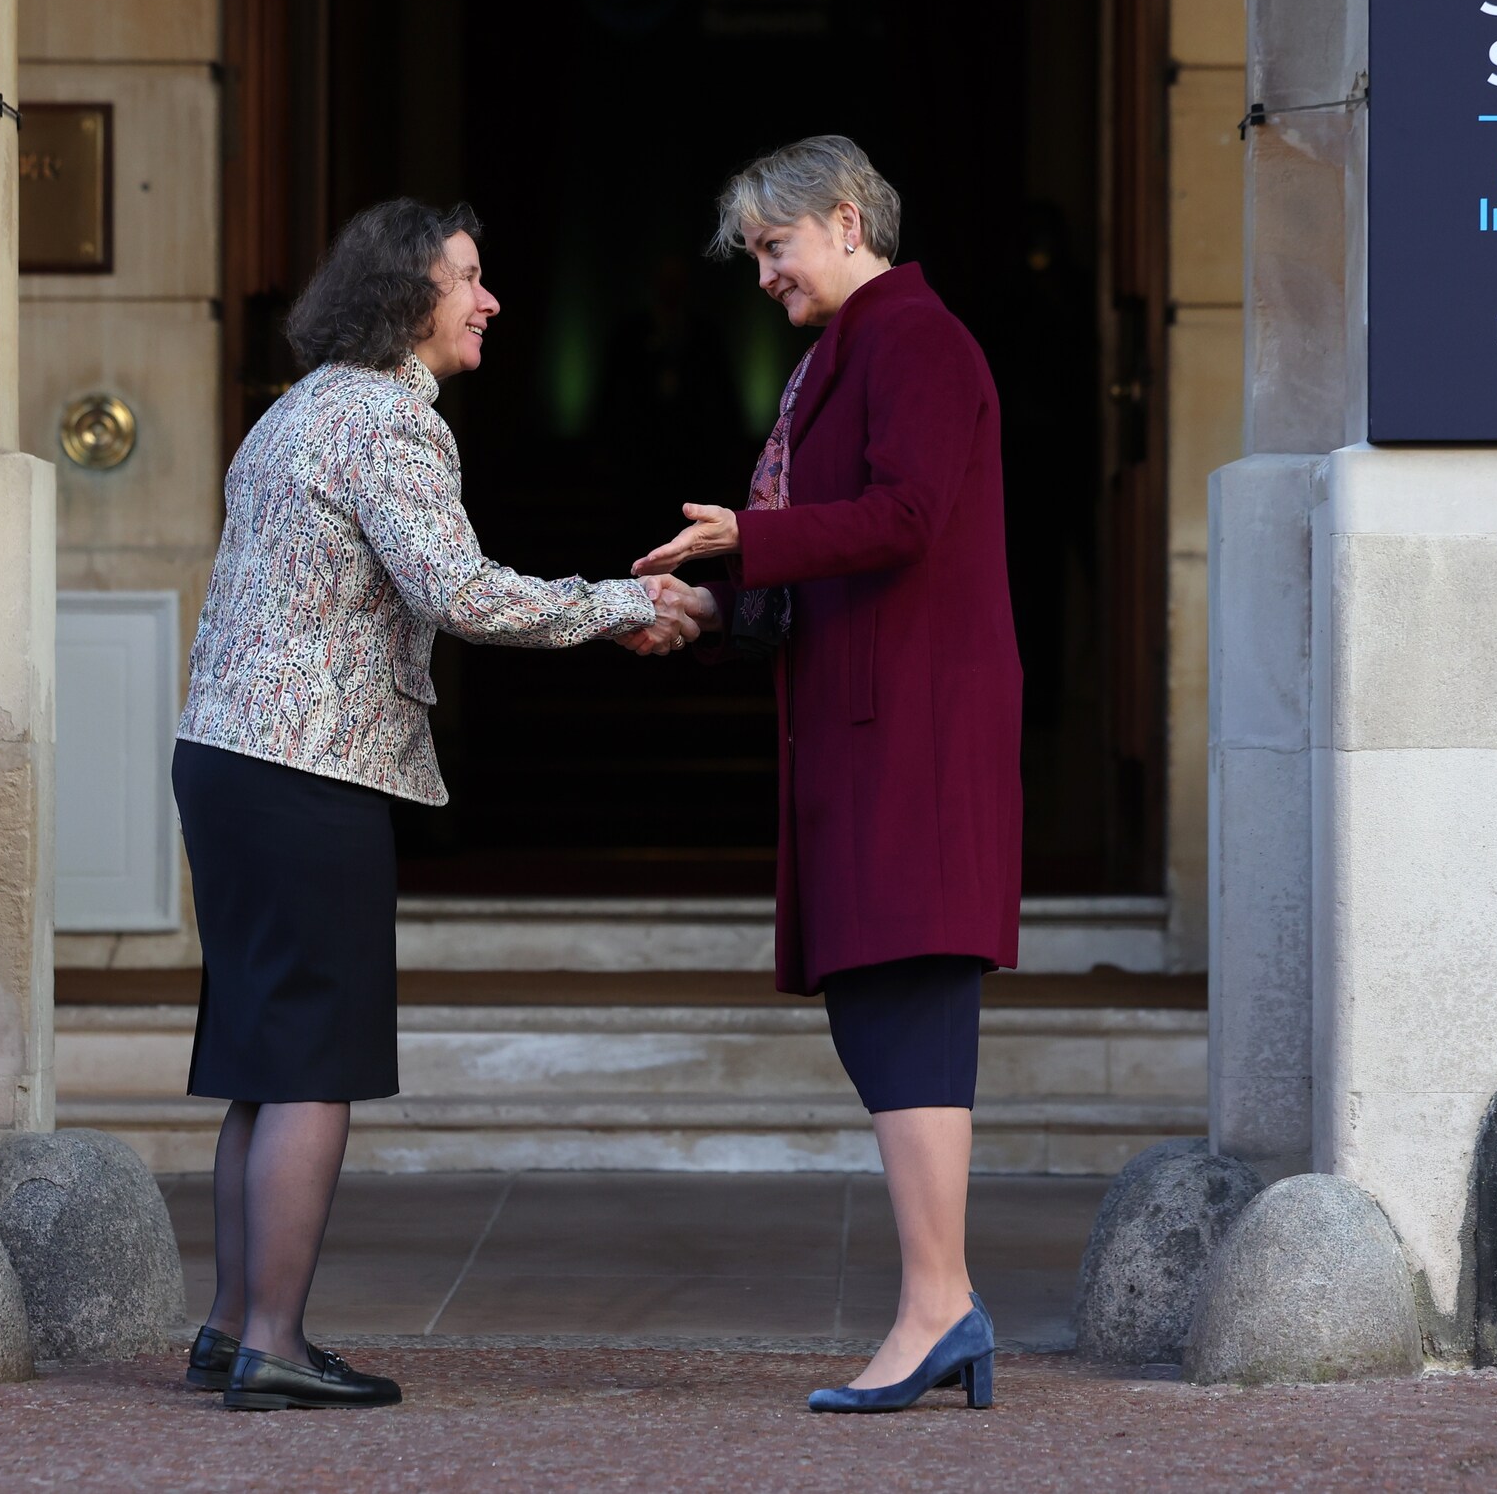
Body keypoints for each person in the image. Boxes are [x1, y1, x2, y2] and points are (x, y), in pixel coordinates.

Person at [173, 198, 700, 1411]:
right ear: (406, 296)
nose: (489, 300)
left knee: (262, 1054)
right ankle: (273, 1343)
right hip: (309, 769)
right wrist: (622, 605)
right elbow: (458, 592)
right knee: (312, 1058)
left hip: (228, 760)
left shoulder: (295, 408)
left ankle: (231, 1326)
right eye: (468, 278)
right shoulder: (386, 417)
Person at [636, 136, 1023, 1413]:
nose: (762, 274)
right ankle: (939, 1305)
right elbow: (841, 546)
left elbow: (907, 517)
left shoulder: (916, 341)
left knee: (906, 1000)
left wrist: (749, 540)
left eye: (774, 246)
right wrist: (720, 596)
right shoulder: (851, 351)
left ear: (846, 222)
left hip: (911, 733)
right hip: (870, 727)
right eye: (755, 253)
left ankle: (938, 1308)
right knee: (878, 1003)